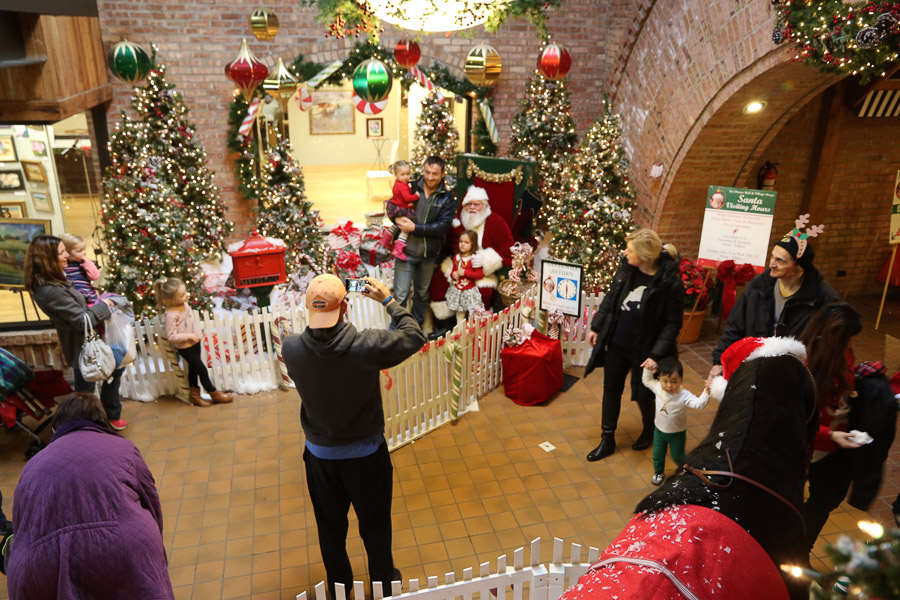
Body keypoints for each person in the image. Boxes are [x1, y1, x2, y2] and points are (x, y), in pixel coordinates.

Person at [281, 275, 425, 597]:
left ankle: (339, 587)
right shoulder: (366, 346)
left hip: (320, 458)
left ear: (308, 308)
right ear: (345, 306)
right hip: (366, 457)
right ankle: (384, 584)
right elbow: (415, 336)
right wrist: (388, 300)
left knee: (330, 528)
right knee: (375, 527)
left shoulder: (291, 348)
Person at [6, 392, 174, 599]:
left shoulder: (31, 466)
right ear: (102, 422)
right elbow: (151, 501)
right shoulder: (124, 448)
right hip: (126, 545)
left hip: (47, 559)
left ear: (54, 429)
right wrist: (156, 547)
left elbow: (21, 527)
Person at [798, 303, 897, 550]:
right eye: (848, 341)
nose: (850, 347)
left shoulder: (841, 353)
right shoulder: (800, 366)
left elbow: (844, 387)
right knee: (788, 500)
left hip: (835, 447)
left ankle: (800, 548)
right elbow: (792, 419)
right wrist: (829, 434)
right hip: (805, 447)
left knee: (825, 501)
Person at [583, 229, 683, 462]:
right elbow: (611, 298)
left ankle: (649, 429)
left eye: (630, 250)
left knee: (644, 395)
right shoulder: (627, 269)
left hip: (646, 350)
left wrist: (656, 355)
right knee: (611, 389)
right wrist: (597, 326)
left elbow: (672, 324)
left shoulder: (669, 283)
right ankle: (607, 439)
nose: (625, 253)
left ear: (645, 256)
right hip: (617, 343)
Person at [708, 222, 838, 384]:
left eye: (780, 260)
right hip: (753, 370)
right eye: (772, 256)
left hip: (793, 379)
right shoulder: (759, 285)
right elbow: (735, 327)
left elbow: (830, 348)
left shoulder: (823, 299)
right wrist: (719, 362)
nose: (771, 264)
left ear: (798, 268)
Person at [24, 235, 128, 430]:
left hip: (88, 341)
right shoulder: (50, 290)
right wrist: (104, 305)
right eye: (61, 252)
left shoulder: (58, 279)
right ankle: (86, 425)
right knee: (86, 389)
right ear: (47, 259)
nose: (66, 256)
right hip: (81, 344)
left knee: (114, 367)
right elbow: (81, 321)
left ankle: (105, 415)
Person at [430, 185, 513, 324]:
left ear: (485, 205)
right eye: (469, 204)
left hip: (482, 270)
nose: (472, 207)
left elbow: (507, 246)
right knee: (438, 283)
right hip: (458, 264)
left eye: (477, 204)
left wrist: (486, 260)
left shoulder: (495, 222)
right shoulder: (459, 220)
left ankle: (476, 324)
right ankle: (447, 323)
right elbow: (449, 244)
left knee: (483, 293)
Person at [393, 155, 456, 326]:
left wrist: (415, 228)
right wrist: (395, 219)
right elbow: (393, 205)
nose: (429, 177)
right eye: (427, 172)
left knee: (422, 294)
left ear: (443, 173)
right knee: (400, 295)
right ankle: (396, 332)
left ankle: (416, 328)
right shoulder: (410, 186)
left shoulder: (447, 198)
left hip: (428, 255)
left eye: (434, 174)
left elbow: (442, 227)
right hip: (405, 252)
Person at [156, 277, 233, 407]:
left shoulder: (184, 304)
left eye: (185, 292)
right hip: (186, 347)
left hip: (195, 342)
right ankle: (214, 393)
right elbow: (171, 336)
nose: (187, 295)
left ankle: (194, 396)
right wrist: (189, 336)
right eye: (182, 295)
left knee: (193, 370)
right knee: (202, 370)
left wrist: (195, 335)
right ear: (171, 299)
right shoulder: (170, 314)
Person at [640, 357, 709, 486]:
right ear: (659, 378)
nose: (669, 385)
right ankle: (658, 472)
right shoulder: (658, 387)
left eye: (674, 381)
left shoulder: (684, 395)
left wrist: (706, 392)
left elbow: (699, 404)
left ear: (681, 380)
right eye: (665, 381)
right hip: (659, 430)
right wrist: (648, 369)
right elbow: (647, 380)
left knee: (678, 456)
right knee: (657, 454)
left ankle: (685, 471)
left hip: (677, 433)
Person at [383, 159, 420, 261]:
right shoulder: (403, 186)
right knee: (407, 226)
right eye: (402, 174)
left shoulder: (397, 183)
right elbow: (407, 198)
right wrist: (416, 196)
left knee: (397, 223)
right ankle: (398, 249)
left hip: (394, 207)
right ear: (396, 174)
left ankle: (387, 238)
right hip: (402, 209)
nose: (406, 177)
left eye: (408, 174)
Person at [445, 230, 485, 323]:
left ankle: (472, 331)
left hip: (470, 291)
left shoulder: (475, 258)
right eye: (461, 242)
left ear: (473, 244)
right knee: (460, 313)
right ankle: (460, 332)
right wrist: (453, 275)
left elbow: (479, 275)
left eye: (466, 242)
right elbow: (453, 270)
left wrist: (465, 272)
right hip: (458, 290)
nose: (462, 244)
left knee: (473, 313)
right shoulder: (457, 257)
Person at [61, 233, 101, 306]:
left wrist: (87, 262)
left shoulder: (86, 264)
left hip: (89, 296)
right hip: (75, 298)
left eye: (84, 249)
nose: (84, 253)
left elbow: (95, 276)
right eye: (79, 251)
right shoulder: (64, 265)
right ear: (67, 253)